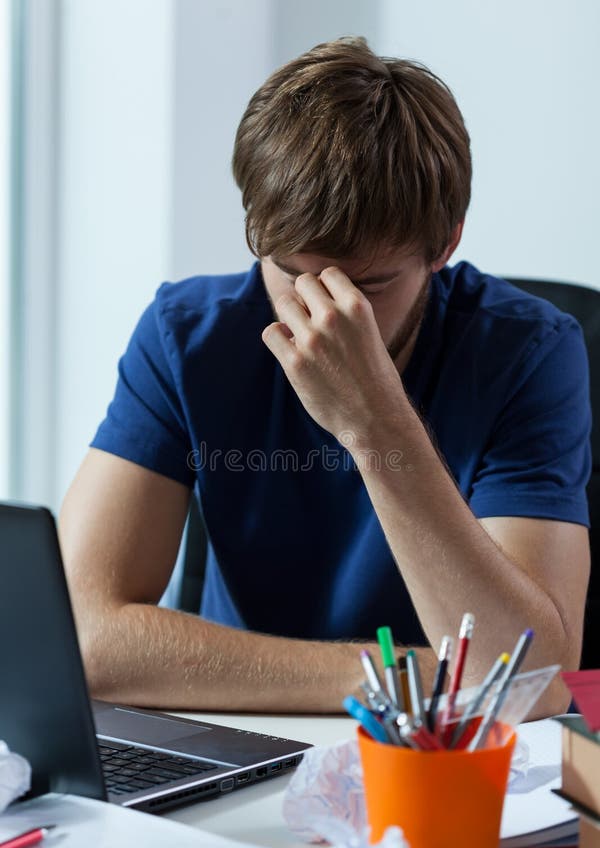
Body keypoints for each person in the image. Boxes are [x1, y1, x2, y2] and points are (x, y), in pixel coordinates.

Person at [59, 37, 590, 716]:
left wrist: (375, 421)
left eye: (366, 285)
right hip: (241, 739)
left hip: (441, 764)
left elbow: (533, 680)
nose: (323, 317)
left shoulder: (530, 351)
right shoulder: (185, 333)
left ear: (445, 245)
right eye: (291, 275)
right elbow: (87, 637)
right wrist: (409, 678)